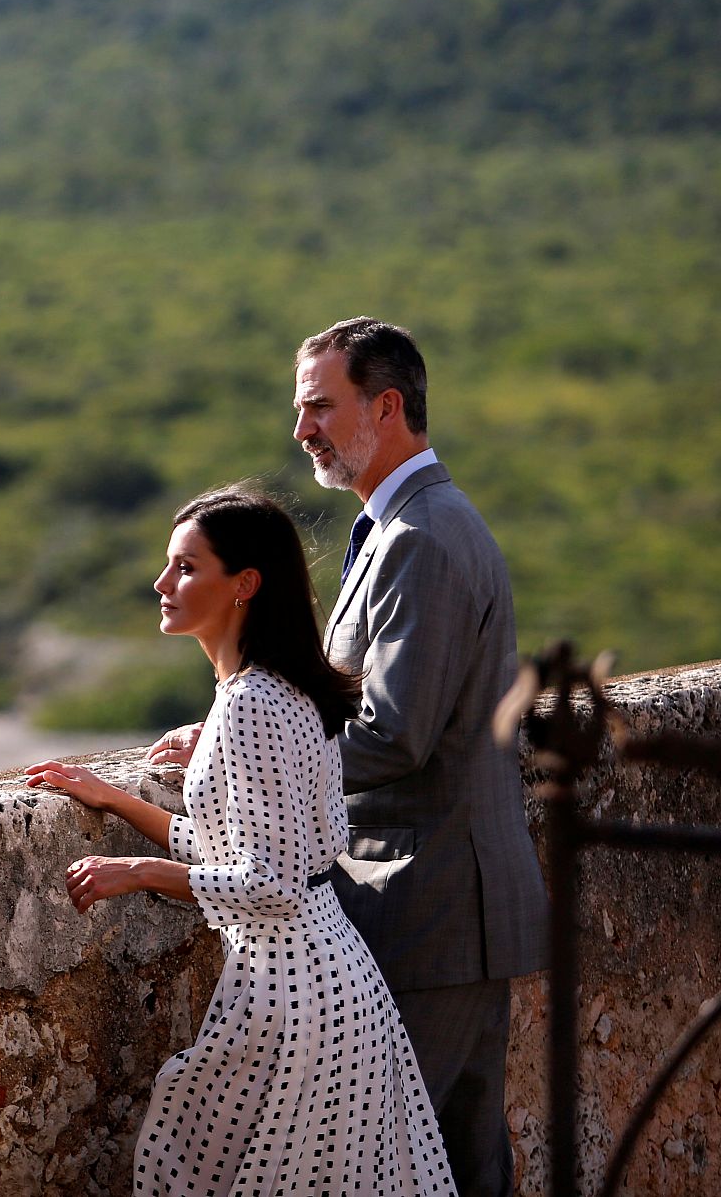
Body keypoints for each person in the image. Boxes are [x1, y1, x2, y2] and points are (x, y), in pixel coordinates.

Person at [148, 319, 547, 1196]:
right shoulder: (407, 523)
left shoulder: (421, 538)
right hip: (451, 906)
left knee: (391, 1170)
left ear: (388, 405)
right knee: (462, 1169)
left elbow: (396, 733)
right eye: (302, 409)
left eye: (321, 406)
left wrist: (252, 750)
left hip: (429, 905)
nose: (303, 430)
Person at [27, 486, 454, 1196]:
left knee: (186, 1161)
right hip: (333, 984)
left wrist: (137, 872)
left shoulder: (252, 704)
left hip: (292, 998)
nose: (163, 584)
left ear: (243, 585)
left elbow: (271, 885)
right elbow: (254, 851)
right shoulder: (280, 689)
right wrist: (118, 800)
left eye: (186, 568)